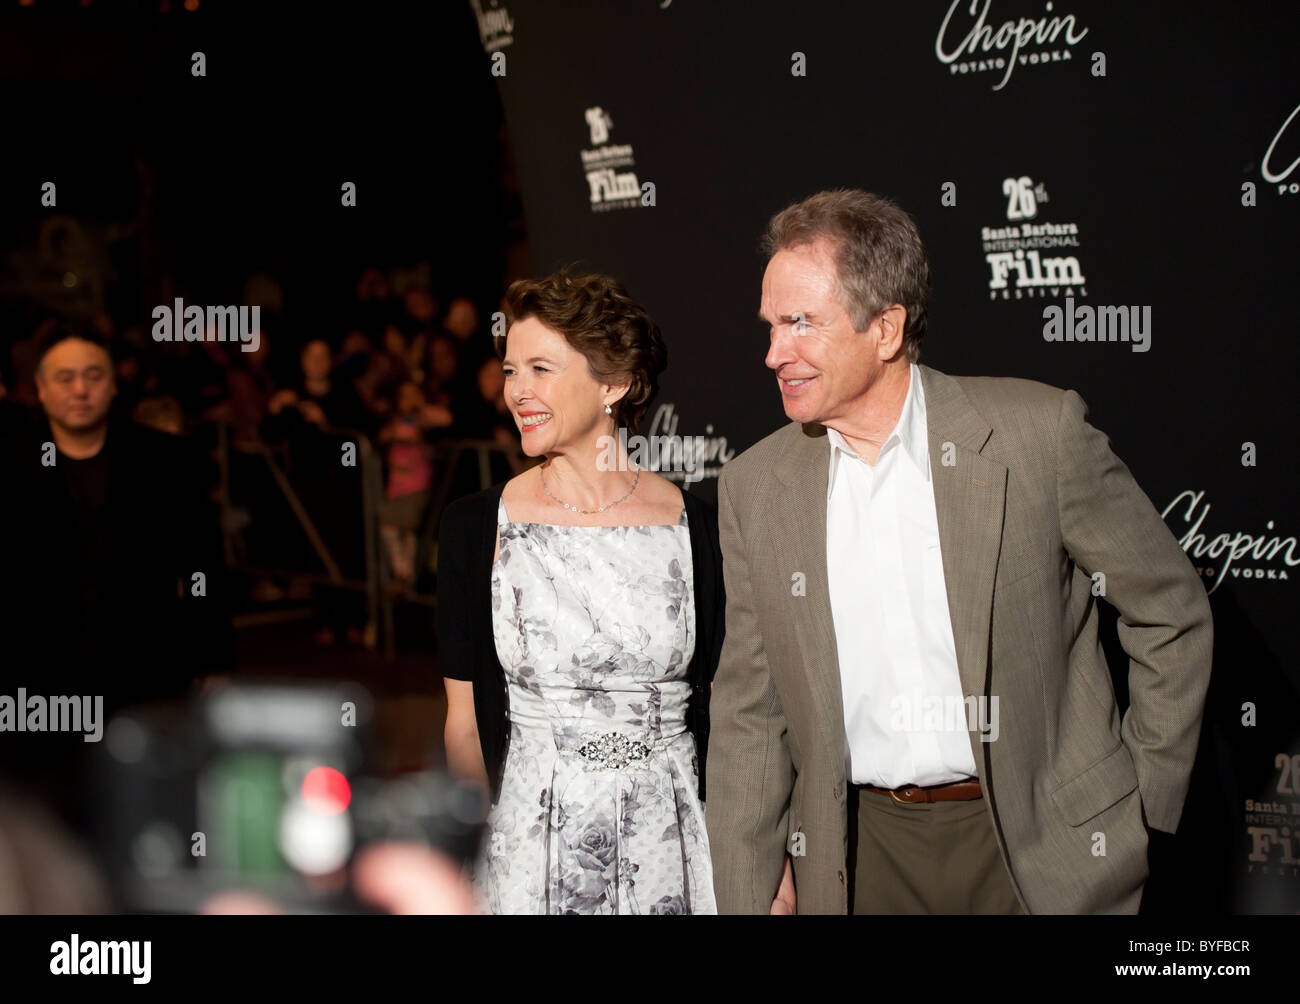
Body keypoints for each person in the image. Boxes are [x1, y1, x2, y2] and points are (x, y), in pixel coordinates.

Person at [704, 190, 1213, 915]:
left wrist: (1141, 807)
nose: (774, 352)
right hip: (859, 856)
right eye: (773, 325)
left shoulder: (1037, 435)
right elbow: (751, 710)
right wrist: (752, 880)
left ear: (885, 329)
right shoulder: (757, 488)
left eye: (800, 324)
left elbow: (1170, 612)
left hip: (1040, 847)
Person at [436, 269, 725, 914]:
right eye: (511, 371)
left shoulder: (696, 527)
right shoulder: (474, 527)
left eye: (540, 369)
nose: (517, 392)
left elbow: (728, 714)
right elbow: (461, 723)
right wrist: (473, 859)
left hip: (673, 846)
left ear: (613, 384)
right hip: (528, 850)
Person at [0, 323, 233, 836]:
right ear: (40, 388)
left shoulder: (166, 461)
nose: (79, 389)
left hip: (144, 671)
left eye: (91, 375)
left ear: (112, 383)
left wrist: (214, 658)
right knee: (50, 820)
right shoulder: (10, 463)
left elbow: (202, 566)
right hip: (37, 680)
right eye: (64, 378)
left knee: (146, 809)